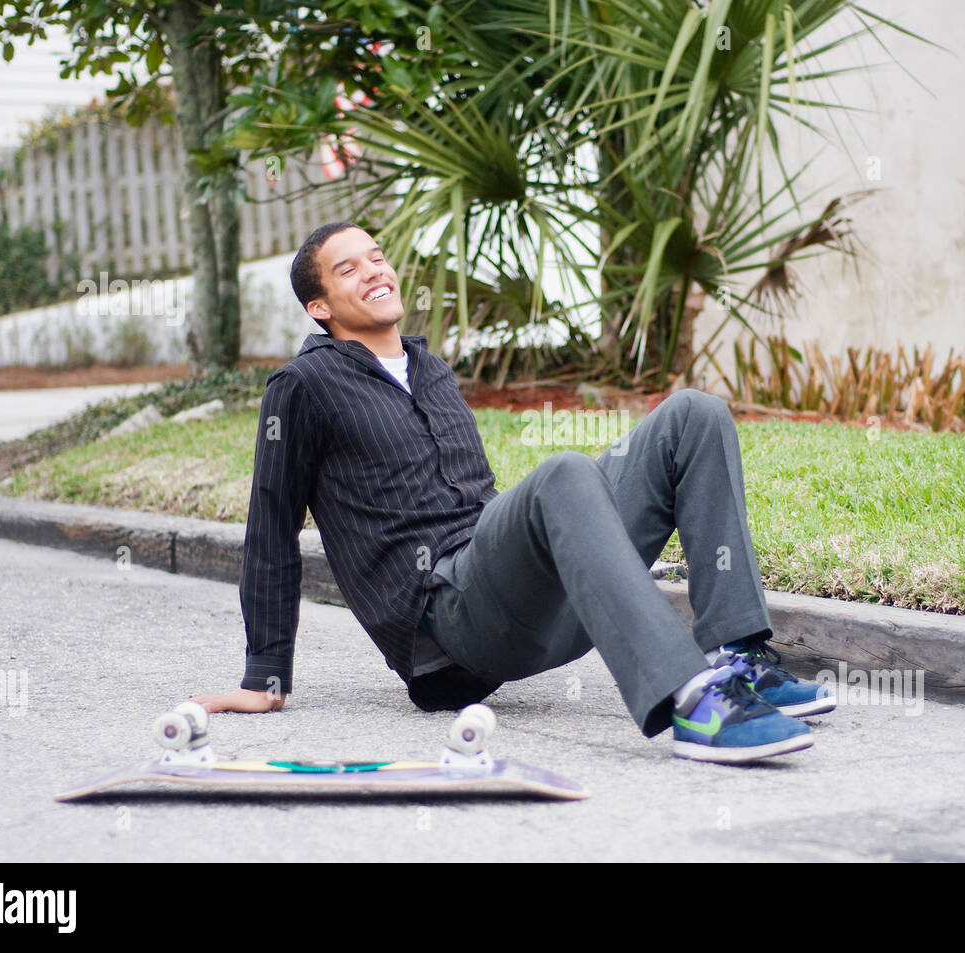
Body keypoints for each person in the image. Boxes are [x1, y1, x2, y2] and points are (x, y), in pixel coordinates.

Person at [195, 222, 835, 763]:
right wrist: (266, 675)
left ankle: (738, 654)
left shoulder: (430, 369)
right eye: (347, 269)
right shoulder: (303, 385)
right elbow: (271, 526)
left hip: (516, 601)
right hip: (449, 630)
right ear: (320, 307)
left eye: (377, 257)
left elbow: (481, 503)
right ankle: (693, 702)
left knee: (692, 414)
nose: (373, 271)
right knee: (563, 472)